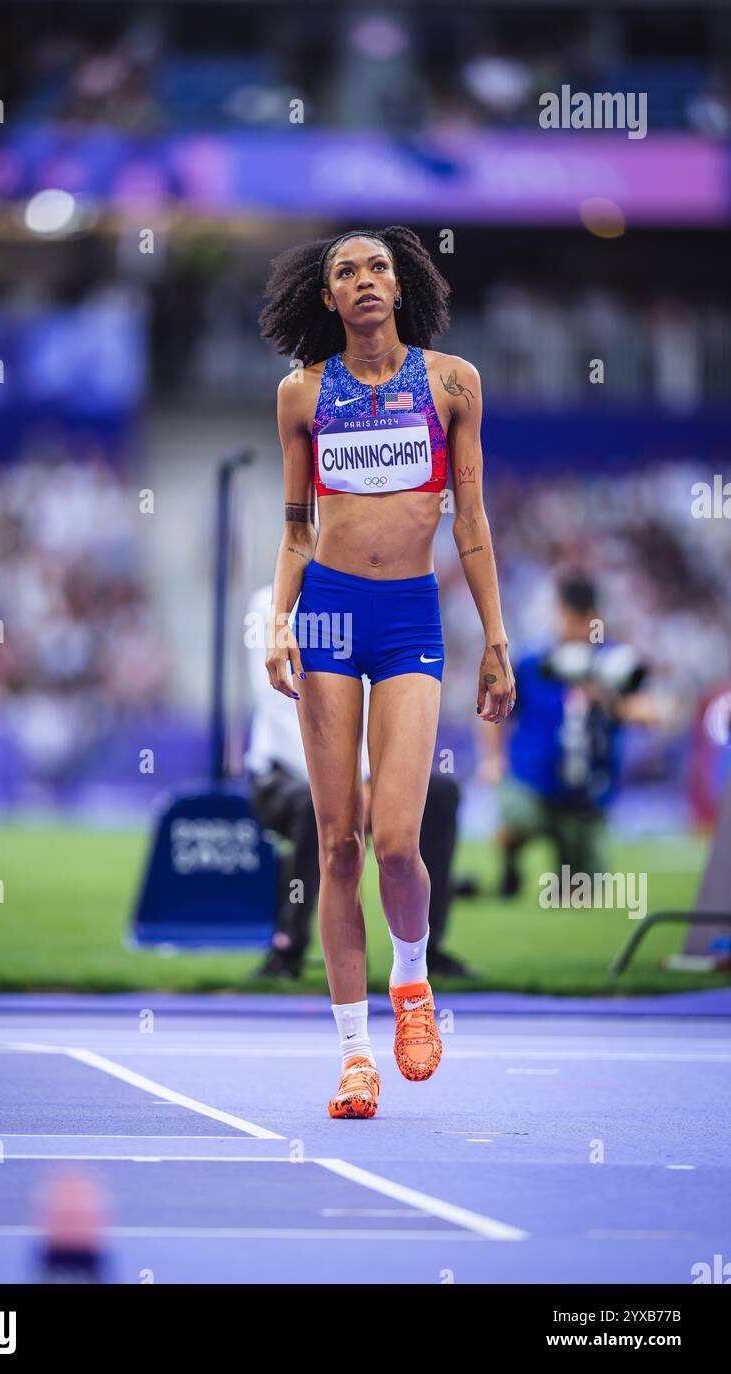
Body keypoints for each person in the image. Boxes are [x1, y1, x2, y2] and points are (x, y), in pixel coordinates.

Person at [259, 225, 514, 1118]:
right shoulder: (301, 394)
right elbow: (296, 526)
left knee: (398, 841)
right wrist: (279, 622)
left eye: (377, 267)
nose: (364, 280)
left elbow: (472, 521)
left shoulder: (452, 383)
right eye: (345, 272)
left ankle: (414, 986)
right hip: (327, 611)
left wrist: (495, 637)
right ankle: (353, 1056)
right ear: (327, 298)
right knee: (337, 843)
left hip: (410, 617)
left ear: (400, 287)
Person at [245, 583, 469, 981]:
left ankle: (428, 949)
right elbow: (281, 704)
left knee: (440, 794)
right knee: (312, 806)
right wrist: (352, 781)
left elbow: (381, 697)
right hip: (284, 770)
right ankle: (288, 947)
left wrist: (370, 777)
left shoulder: (366, 595)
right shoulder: (269, 605)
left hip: (360, 764)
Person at [482, 574, 656, 895]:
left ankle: (568, 858)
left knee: (582, 892)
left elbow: (649, 713)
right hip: (533, 781)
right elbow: (493, 710)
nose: (575, 626)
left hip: (586, 794)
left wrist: (607, 699)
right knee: (519, 817)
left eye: (582, 617)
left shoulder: (614, 661)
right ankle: (510, 860)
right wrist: (494, 758)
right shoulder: (535, 661)